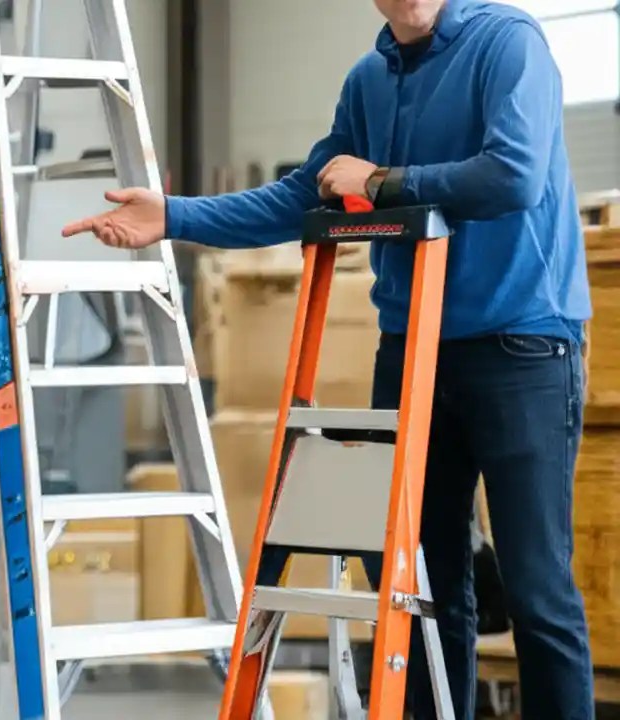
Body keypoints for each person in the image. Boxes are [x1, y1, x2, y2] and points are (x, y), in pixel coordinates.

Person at [61, 1, 595, 718]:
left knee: (536, 591)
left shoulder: (508, 44)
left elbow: (513, 176)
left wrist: (381, 182)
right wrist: (174, 215)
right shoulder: (369, 80)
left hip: (520, 345)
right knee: (413, 585)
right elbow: (300, 198)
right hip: (411, 349)